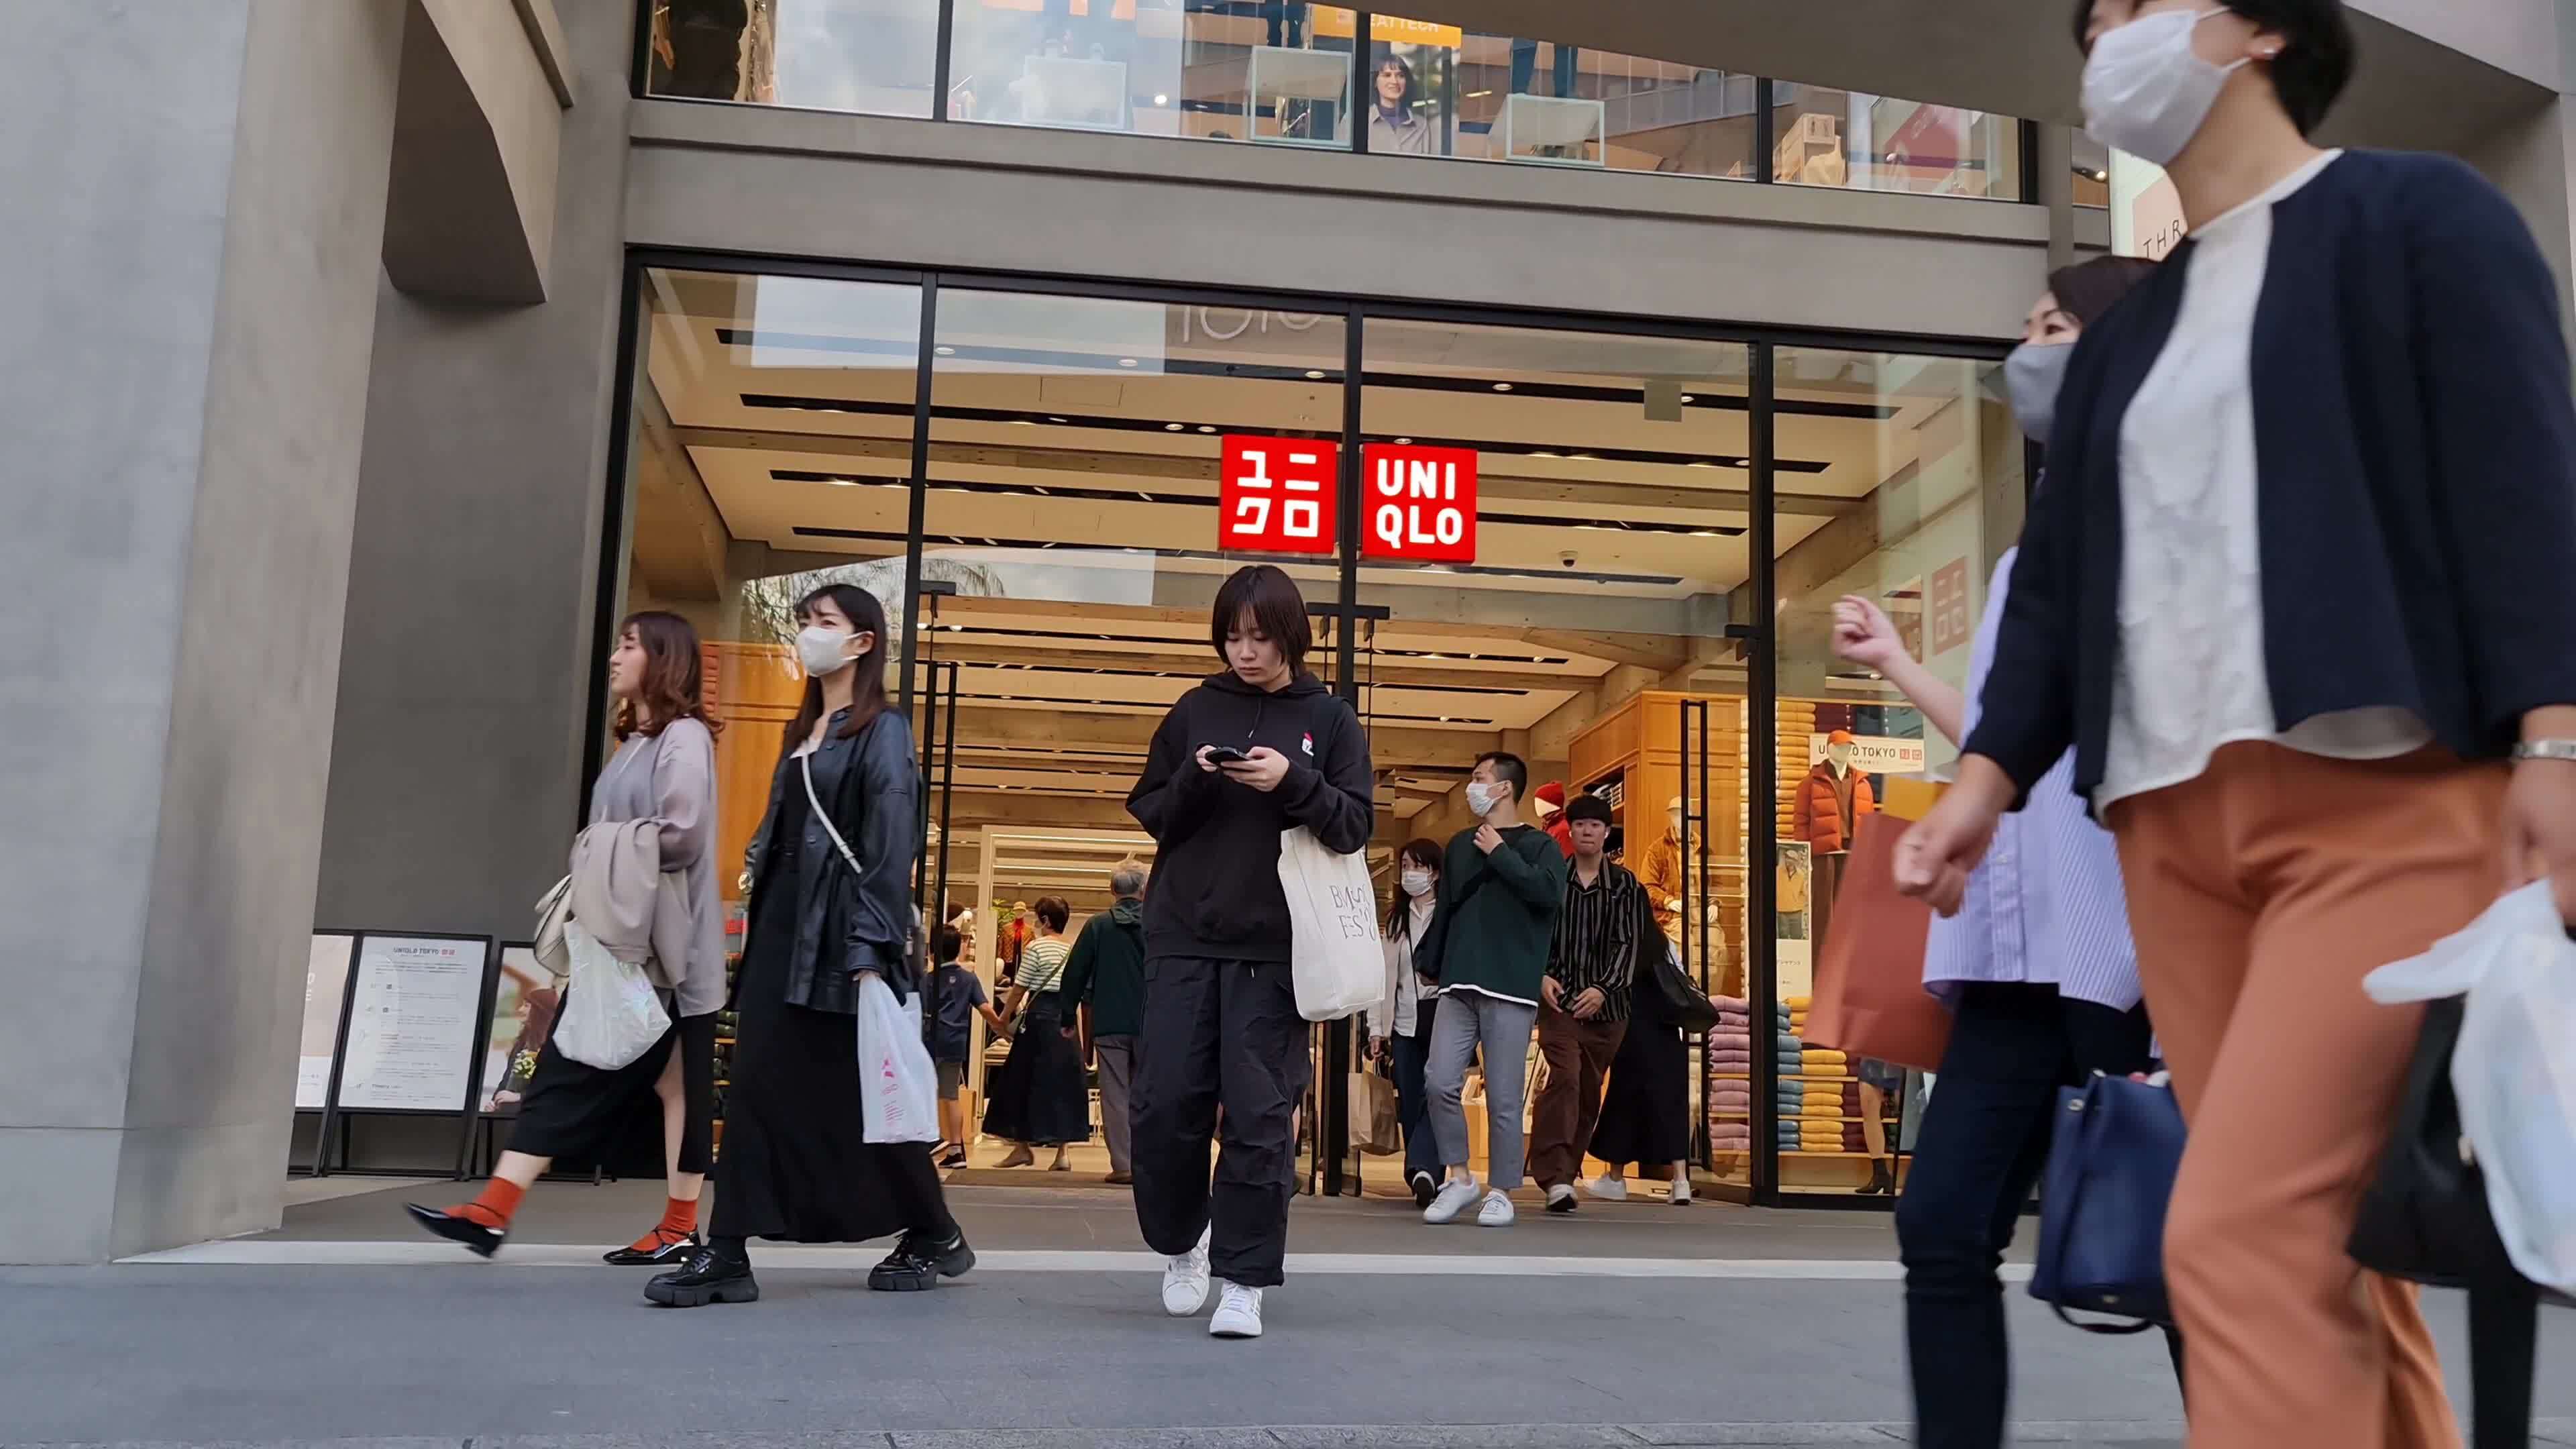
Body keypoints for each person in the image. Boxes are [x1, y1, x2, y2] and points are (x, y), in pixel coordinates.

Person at [1896, 3, 2576, 1443]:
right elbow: (2067, 589)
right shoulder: (2132, 328)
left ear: (2262, 26)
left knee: (2235, 1240)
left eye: (2139, 7)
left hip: (2384, 811)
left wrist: (2557, 737)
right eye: (2091, 26)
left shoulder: (2415, 216)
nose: (2106, 41)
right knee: (2326, 1253)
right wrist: (1983, 778)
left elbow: (2524, 480)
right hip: (2171, 841)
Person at [1832, 254, 2165, 1448]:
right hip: (2016, 955)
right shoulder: (2038, 550)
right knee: (1941, 1227)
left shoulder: (2179, 518)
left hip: (2136, 949)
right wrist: (1898, 669)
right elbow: (2007, 737)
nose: (2031, 353)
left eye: (2056, 327)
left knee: (2193, 1234)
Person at [646, 583, 972, 1307]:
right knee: (762, 1081)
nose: (807, 634)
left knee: (858, 1092)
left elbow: (890, 850)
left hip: (840, 935)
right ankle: (727, 1248)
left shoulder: (881, 731)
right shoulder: (806, 731)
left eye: (824, 623)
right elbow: (781, 834)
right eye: (805, 622)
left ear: (863, 642)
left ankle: (933, 1230)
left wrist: (868, 949)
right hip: (784, 929)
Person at [407, 612, 726, 1267]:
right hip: (628, 945)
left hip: (661, 952)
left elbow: (684, 834)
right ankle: (671, 1227)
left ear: (662, 659)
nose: (615, 656)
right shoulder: (636, 742)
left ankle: (500, 1211)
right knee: (661, 1085)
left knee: (585, 1073)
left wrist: (595, 850)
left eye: (630, 646)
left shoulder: (684, 738)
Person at [1127, 564, 1373, 1340]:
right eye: (1232, 636)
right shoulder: (1196, 708)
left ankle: (1245, 1277)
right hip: (1181, 938)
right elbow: (1153, 811)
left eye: (1258, 637)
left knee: (1262, 1118)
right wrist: (1201, 781)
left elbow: (1353, 825)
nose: (1244, 651)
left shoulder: (1329, 719)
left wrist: (1293, 782)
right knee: (1165, 1104)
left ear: (1291, 635)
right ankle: (1183, 1240)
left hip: (1277, 951)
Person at [1421, 751, 1568, 1228]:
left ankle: (1502, 1189)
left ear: (1505, 788)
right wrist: (1432, 962)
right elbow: (1447, 907)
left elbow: (1548, 896)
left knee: (1505, 1096)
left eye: (1480, 777)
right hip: (1458, 980)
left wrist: (1500, 854)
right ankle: (1460, 1176)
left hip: (1510, 983)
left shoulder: (1540, 846)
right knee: (1439, 1079)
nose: (1473, 785)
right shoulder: (1460, 844)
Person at [1530, 794, 1640, 1214]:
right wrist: (1540, 974)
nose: (1587, 832)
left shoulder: (1626, 885)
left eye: (1596, 825)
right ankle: (1554, 1176)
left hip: (1608, 1011)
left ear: (1606, 833)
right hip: (1559, 1003)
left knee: (1589, 1092)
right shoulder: (1553, 879)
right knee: (1567, 1079)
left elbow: (1631, 945)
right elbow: (1537, 934)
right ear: (1570, 831)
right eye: (1580, 825)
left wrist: (1605, 990)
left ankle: (1567, 1172)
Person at [1586, 883, 1692, 1207]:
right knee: (1670, 1105)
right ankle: (1681, 1181)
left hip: (1629, 1030)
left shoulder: (1616, 943)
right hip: (1667, 1034)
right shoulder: (1664, 943)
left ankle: (1616, 1178)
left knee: (1624, 1100)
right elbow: (1681, 981)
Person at [983, 896, 1091, 1171]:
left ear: (1045, 920)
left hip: (1040, 1018)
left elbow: (1019, 988)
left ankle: (1021, 1148)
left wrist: (1003, 1019)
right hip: (1067, 1020)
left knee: (1021, 1079)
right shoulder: (1073, 949)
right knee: (1064, 1083)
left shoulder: (1036, 948)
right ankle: (1062, 1154)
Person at [1367, 838, 1447, 1207]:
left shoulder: (1448, 914)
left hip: (1444, 1019)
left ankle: (1424, 1170)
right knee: (1412, 1098)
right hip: (1405, 1024)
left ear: (1435, 872)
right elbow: (1384, 978)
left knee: (1438, 1094)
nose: (1411, 874)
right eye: (1405, 867)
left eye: (1419, 866)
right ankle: (1424, 1171)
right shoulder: (1397, 919)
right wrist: (1377, 1029)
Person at [1063, 861, 1150, 1185]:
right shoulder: (1158, 925)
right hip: (1152, 1023)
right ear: (1144, 890)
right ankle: (1149, 1163)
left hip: (1109, 1021)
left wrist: (1066, 1015)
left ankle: (1124, 1165)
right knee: (1149, 1093)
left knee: (1115, 1093)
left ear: (1113, 890)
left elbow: (1075, 973)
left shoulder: (1097, 926)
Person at [930, 925, 1008, 1172]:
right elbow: (985, 1009)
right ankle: (956, 1149)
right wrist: (1001, 1028)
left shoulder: (927, 979)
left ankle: (929, 1139)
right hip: (955, 1041)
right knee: (951, 1095)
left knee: (923, 1092)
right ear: (958, 950)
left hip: (928, 1041)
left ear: (932, 951)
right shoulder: (968, 979)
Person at [1366, 55, 1435, 155]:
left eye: (1400, 75)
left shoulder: (1422, 125)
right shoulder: (1356, 120)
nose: (1394, 81)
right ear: (1375, 82)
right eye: (1387, 75)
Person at [1533, 782, 1575, 858]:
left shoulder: (1563, 829)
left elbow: (1567, 862)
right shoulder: (1549, 828)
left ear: (1551, 803)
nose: (1536, 806)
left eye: (1540, 802)